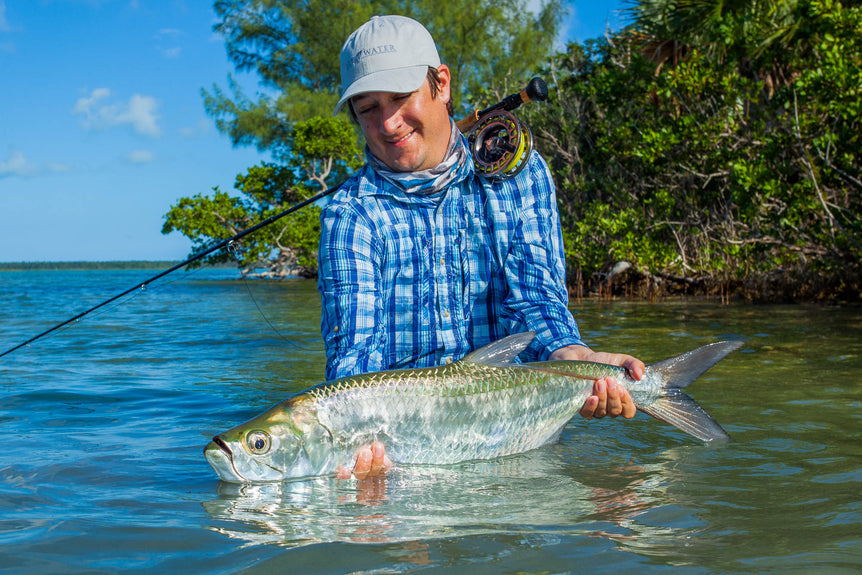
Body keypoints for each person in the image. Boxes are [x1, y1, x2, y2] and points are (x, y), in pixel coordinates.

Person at [318, 15, 645, 480]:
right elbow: (355, 359)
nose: (388, 123)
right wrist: (358, 444)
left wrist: (572, 355)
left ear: (442, 84)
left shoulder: (520, 174)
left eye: (400, 97)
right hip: (409, 453)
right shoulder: (348, 216)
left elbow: (536, 299)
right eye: (368, 108)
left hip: (526, 431)